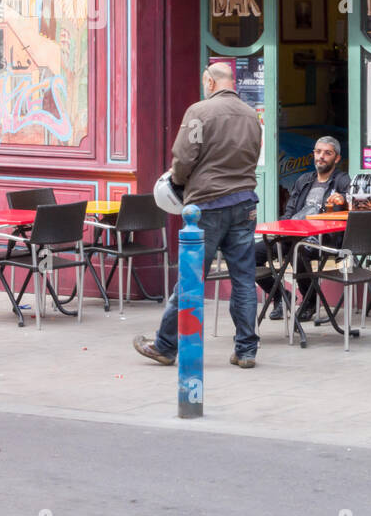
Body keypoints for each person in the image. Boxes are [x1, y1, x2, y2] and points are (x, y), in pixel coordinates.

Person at [134, 63, 263, 368]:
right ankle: (246, 350)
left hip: (206, 206)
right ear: (232, 82)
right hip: (244, 203)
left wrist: (178, 183)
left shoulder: (199, 111)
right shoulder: (250, 115)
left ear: (209, 81)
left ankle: (166, 346)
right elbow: (254, 154)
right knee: (243, 279)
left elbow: (183, 158)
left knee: (191, 279)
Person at [257, 137, 351, 322]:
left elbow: (354, 203)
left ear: (337, 158)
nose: (321, 157)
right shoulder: (304, 180)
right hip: (293, 235)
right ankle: (280, 296)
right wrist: (278, 231)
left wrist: (344, 200)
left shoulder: (341, 180)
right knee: (251, 255)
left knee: (298, 252)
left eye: (327, 153)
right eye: (318, 152)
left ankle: (309, 301)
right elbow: (289, 212)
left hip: (323, 240)